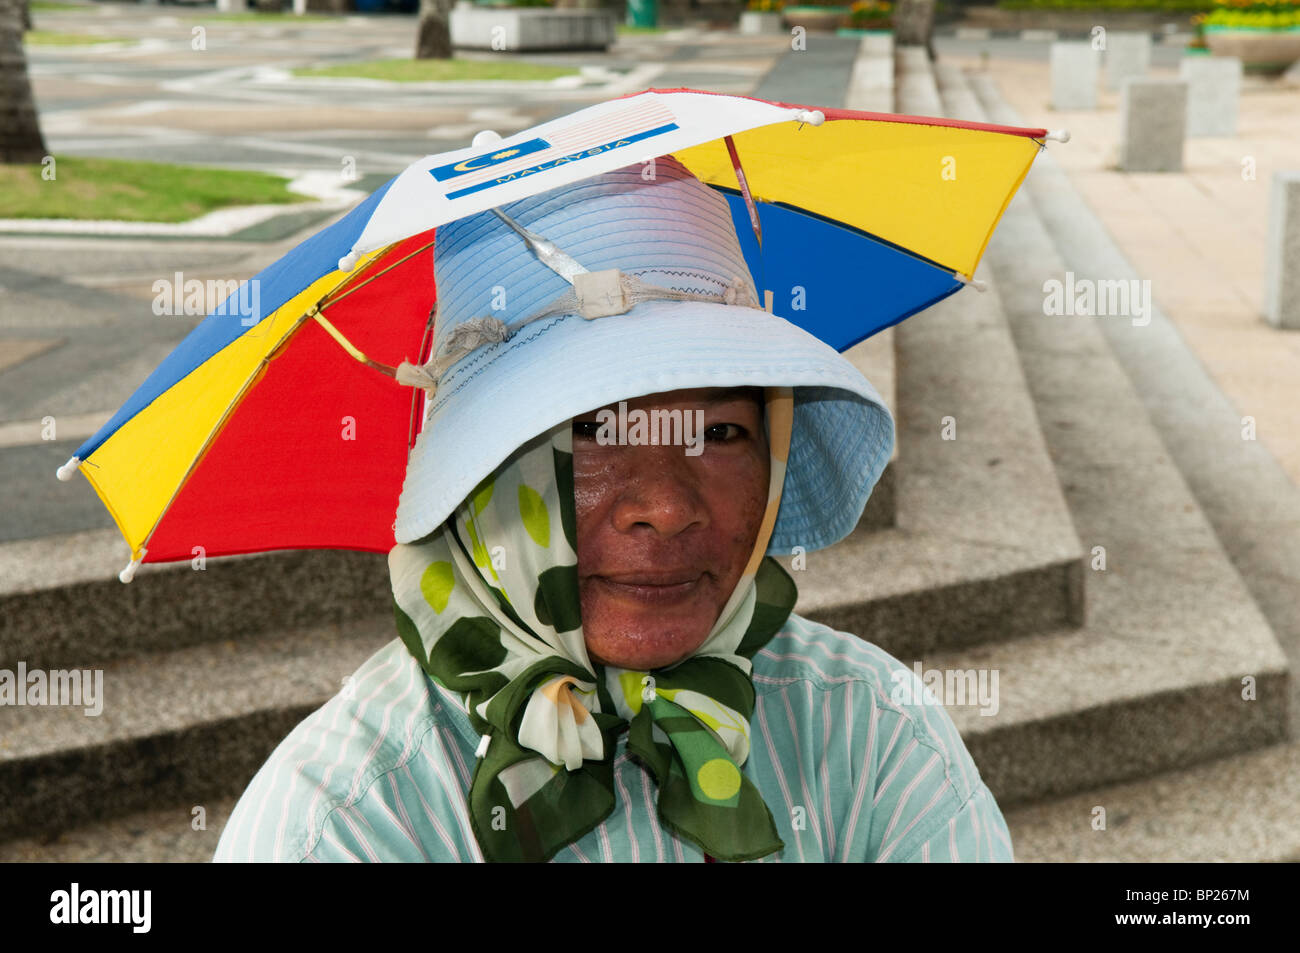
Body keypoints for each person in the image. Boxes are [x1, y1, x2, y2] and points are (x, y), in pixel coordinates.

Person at [212, 155, 1014, 863]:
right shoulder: (343, 822)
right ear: (485, 478)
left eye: (723, 431)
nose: (666, 507)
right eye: (595, 431)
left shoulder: (869, 731)